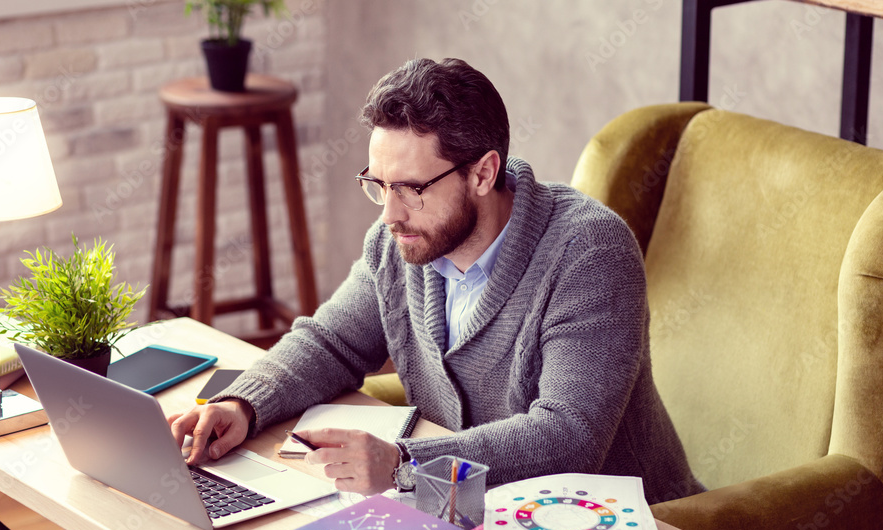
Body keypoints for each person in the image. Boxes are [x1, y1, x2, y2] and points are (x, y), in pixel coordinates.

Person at [168, 57, 704, 504]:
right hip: (469, 509)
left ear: (483, 174)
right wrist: (243, 404)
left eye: (411, 188)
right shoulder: (402, 242)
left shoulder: (588, 253)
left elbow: (569, 436)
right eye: (378, 185)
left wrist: (403, 464)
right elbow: (332, 342)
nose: (389, 215)